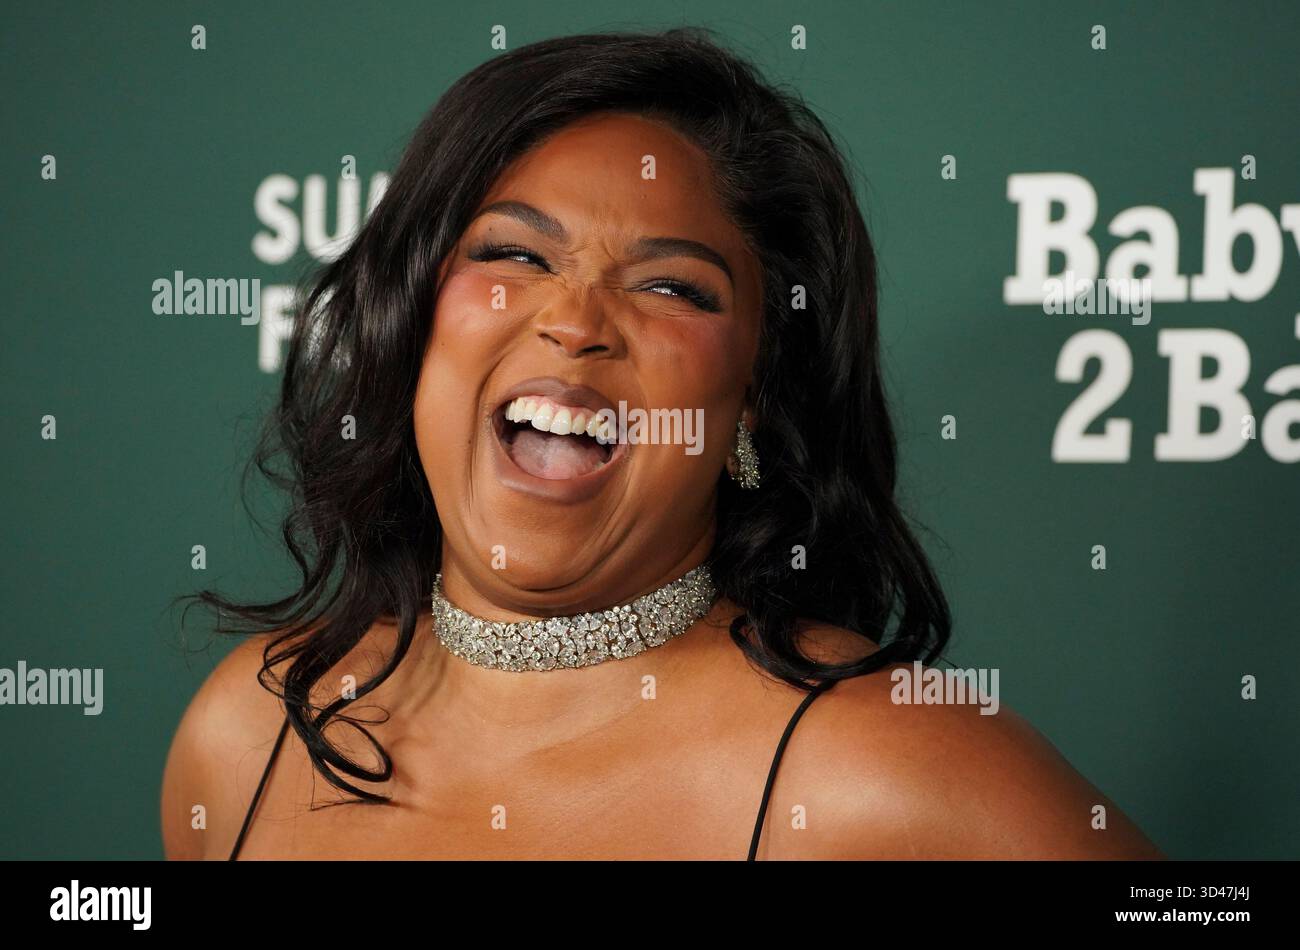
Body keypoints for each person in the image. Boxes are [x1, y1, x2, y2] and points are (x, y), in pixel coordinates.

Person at [162, 27, 1162, 860]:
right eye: (513, 253)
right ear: (410, 323)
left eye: (672, 286)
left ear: (750, 401)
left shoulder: (889, 769)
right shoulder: (245, 730)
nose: (576, 318)